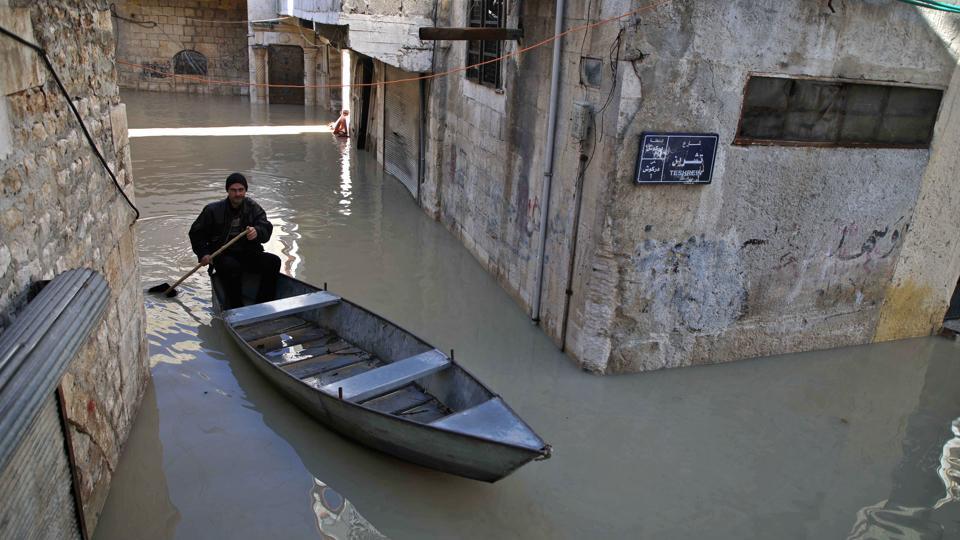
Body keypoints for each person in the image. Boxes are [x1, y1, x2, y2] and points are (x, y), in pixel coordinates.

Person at [189, 172, 281, 309]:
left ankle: (263, 305)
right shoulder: (212, 210)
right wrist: (203, 254)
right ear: (227, 191)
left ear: (245, 190)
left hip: (248, 253)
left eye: (241, 190)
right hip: (222, 255)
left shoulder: (253, 208)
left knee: (274, 262)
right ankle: (236, 308)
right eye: (233, 190)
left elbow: (265, 228)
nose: (237, 194)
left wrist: (258, 232)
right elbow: (196, 234)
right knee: (232, 268)